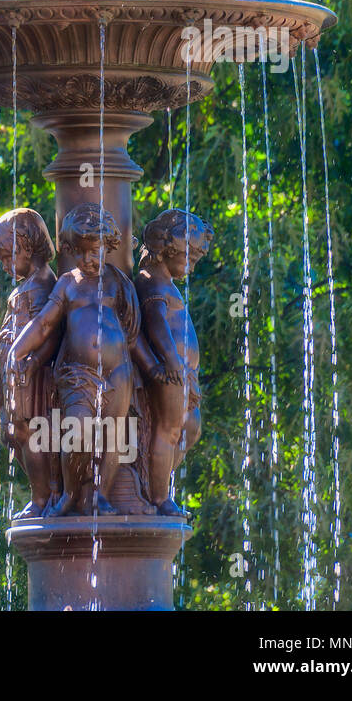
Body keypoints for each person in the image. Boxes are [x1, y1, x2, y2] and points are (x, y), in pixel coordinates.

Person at [8, 203, 154, 516]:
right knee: (76, 434)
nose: (89, 259)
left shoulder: (117, 283)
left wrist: (153, 366)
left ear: (109, 246)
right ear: (71, 250)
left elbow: (133, 331)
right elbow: (44, 323)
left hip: (119, 372)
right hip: (78, 373)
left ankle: (100, 494)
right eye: (81, 252)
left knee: (113, 434)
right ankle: (69, 496)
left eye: (96, 251)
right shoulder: (68, 284)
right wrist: (18, 350)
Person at [135, 208, 216, 516]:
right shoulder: (150, 281)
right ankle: (157, 497)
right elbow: (155, 324)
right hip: (170, 370)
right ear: (166, 248)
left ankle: (154, 477)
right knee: (168, 429)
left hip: (183, 372)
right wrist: (171, 360)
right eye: (189, 257)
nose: (192, 266)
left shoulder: (165, 282)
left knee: (190, 429)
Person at [0, 209, 59, 518]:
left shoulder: (43, 284)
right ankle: (43, 494)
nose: (4, 266)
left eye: (7, 257)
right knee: (15, 434)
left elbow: (51, 330)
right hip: (15, 373)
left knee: (28, 432)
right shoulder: (30, 283)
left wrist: (35, 360)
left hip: (30, 375)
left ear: (27, 247)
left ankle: (43, 498)